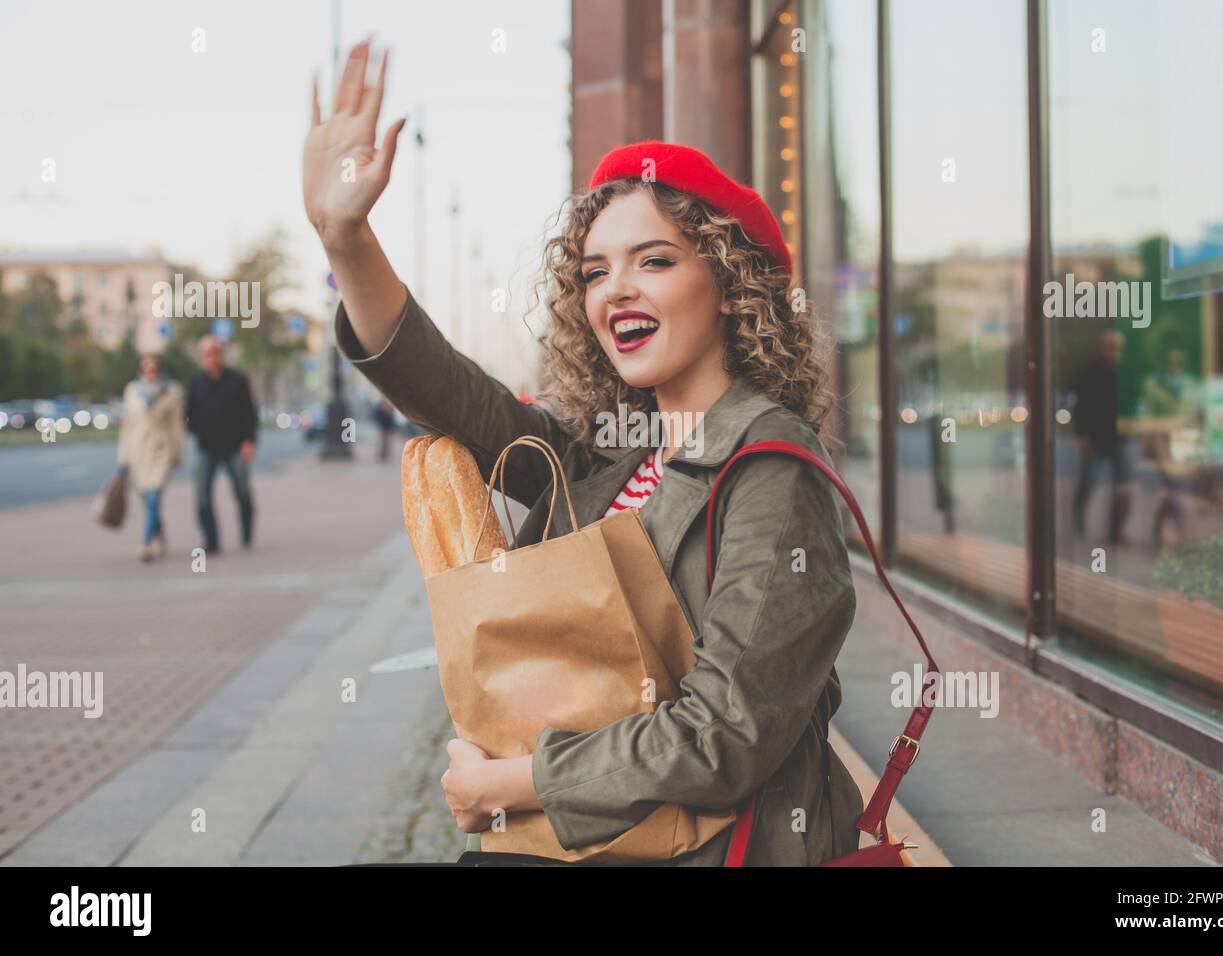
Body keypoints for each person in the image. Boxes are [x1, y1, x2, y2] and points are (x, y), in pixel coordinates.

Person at [303, 39, 863, 866]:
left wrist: (513, 783)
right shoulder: (610, 453)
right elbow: (451, 391)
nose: (616, 290)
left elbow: (723, 739)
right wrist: (345, 237)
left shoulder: (771, 467)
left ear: (732, 287)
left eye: (656, 261)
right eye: (596, 272)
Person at [185, 335, 257, 553]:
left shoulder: (238, 380)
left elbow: (250, 414)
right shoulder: (196, 383)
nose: (211, 358)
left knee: (242, 491)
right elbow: (188, 414)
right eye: (206, 354)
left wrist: (249, 441)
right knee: (202, 497)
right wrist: (196, 430)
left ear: (221, 355)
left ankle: (246, 533)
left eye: (214, 352)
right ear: (202, 358)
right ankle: (211, 541)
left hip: (235, 446)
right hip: (206, 447)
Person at [116, 354, 185, 561]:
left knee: (155, 497)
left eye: (153, 369)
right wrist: (123, 456)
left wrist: (178, 454)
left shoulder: (172, 391)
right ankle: (160, 535)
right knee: (148, 501)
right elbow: (127, 426)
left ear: (160, 370)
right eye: (146, 369)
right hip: (138, 452)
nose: (150, 373)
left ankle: (146, 543)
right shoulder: (132, 390)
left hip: (161, 450)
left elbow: (177, 426)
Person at [1071, 329, 1132, 545]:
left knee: (1123, 487)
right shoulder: (1088, 374)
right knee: (1089, 481)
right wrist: (1082, 434)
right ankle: (1078, 518)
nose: (1114, 352)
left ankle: (1116, 531)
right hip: (1096, 436)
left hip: (1120, 437)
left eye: (1118, 348)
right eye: (1110, 347)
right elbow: (1080, 407)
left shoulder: (1126, 374)